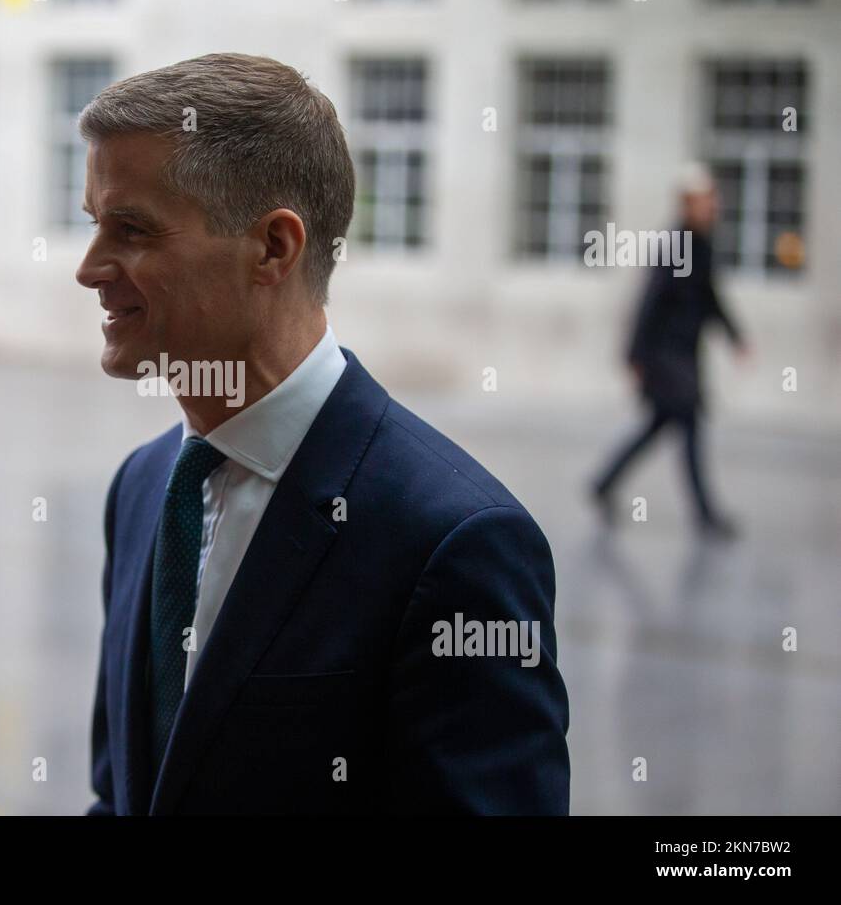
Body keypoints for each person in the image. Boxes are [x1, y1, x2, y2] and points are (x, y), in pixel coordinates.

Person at [76, 54, 570, 815]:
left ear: (274, 247)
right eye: (94, 225)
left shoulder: (456, 543)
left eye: (132, 229)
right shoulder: (140, 488)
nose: (90, 268)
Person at [590, 163, 751, 539]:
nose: (713, 208)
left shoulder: (702, 247)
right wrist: (635, 355)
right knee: (689, 429)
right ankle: (705, 514)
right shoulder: (676, 246)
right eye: (706, 201)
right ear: (688, 203)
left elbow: (710, 298)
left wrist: (735, 337)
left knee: (658, 427)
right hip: (666, 360)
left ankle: (603, 483)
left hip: (683, 357)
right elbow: (649, 301)